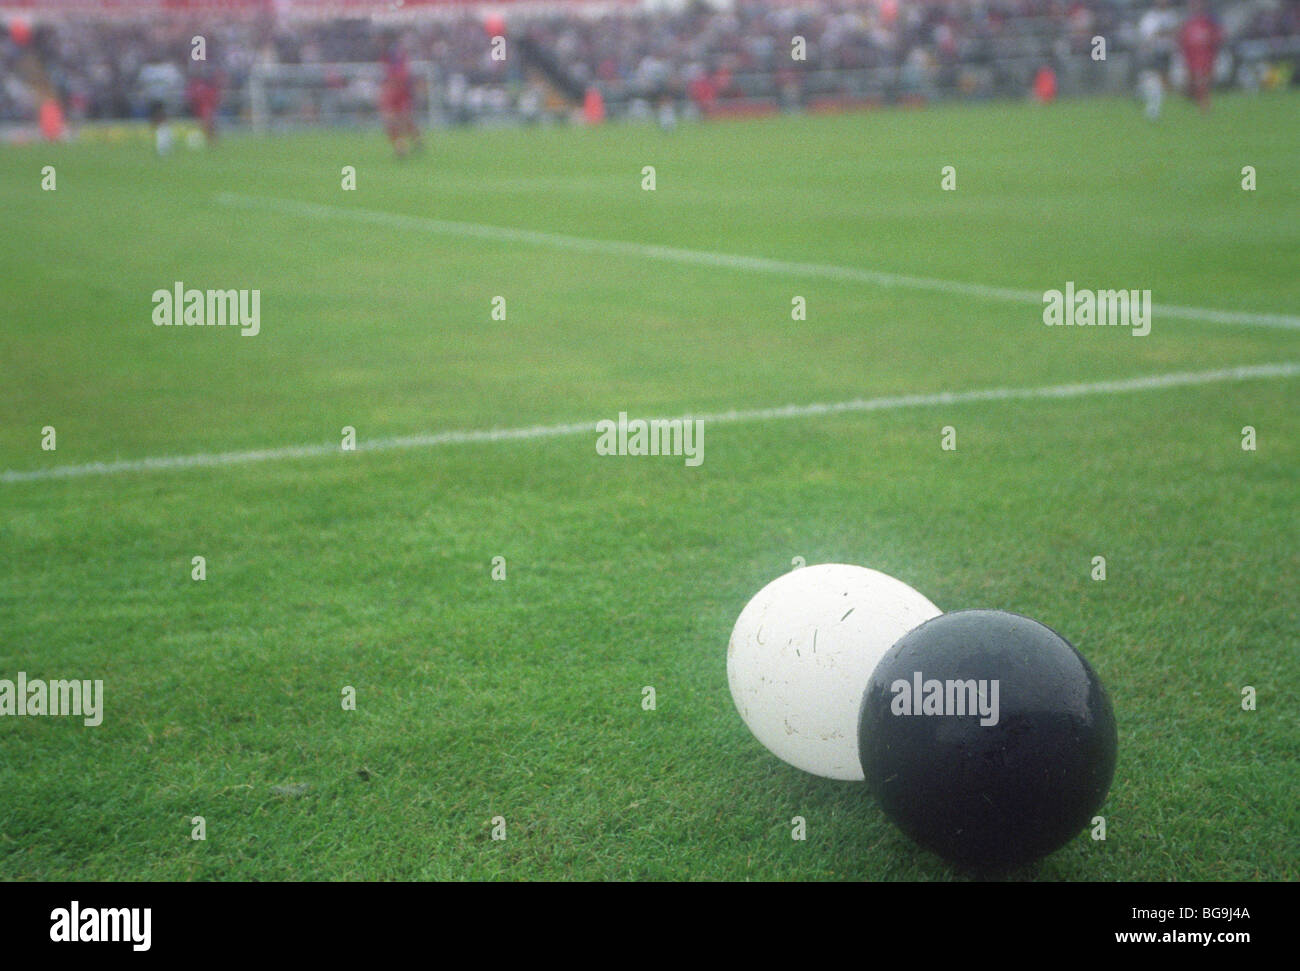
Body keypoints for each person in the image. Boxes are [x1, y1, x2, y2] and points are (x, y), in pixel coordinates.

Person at [380, 39, 423, 157]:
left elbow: (404, 75)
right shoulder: (386, 56)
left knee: (405, 120)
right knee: (390, 120)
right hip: (391, 91)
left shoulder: (398, 56)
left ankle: (415, 141)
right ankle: (401, 148)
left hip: (401, 91)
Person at [1179, 0, 1223, 111]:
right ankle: (1200, 102)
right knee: (1197, 80)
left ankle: (1203, 103)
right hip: (1193, 56)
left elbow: (1218, 36)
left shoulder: (1210, 21)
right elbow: (1182, 40)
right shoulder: (1188, 22)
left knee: (1204, 81)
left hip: (1207, 56)